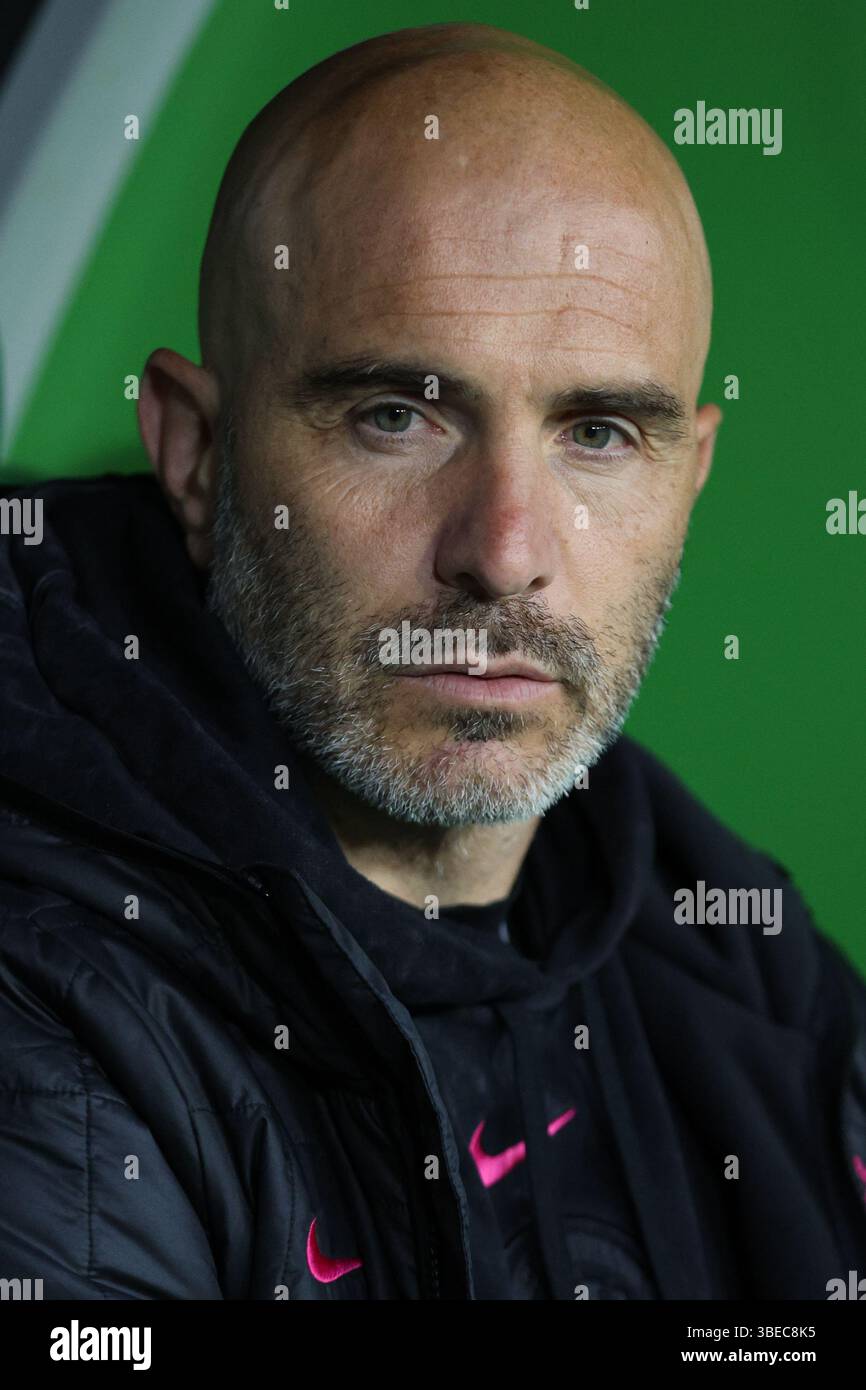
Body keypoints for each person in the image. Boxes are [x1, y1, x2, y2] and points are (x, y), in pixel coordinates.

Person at [1, 21, 864, 1302]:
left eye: (599, 432)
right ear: (195, 452)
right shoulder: (50, 1017)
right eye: (395, 415)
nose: (504, 551)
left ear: (687, 481)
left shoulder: (731, 949)